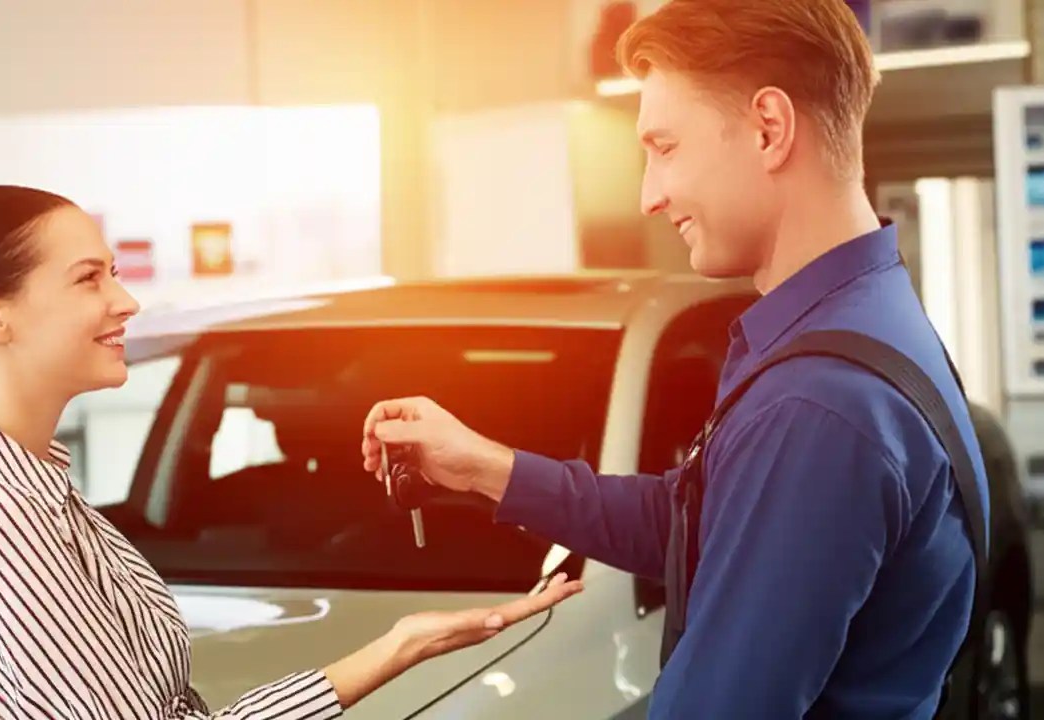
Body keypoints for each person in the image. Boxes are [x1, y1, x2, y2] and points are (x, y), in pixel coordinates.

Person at [360, 1, 989, 717]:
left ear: (768, 129)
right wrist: (485, 468)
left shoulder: (817, 406)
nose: (650, 195)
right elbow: (707, 522)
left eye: (665, 147)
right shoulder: (869, 320)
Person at [0, 184, 583, 719]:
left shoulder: (31, 495)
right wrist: (392, 651)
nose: (126, 301)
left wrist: (400, 644)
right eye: (89, 278)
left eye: (114, 272)